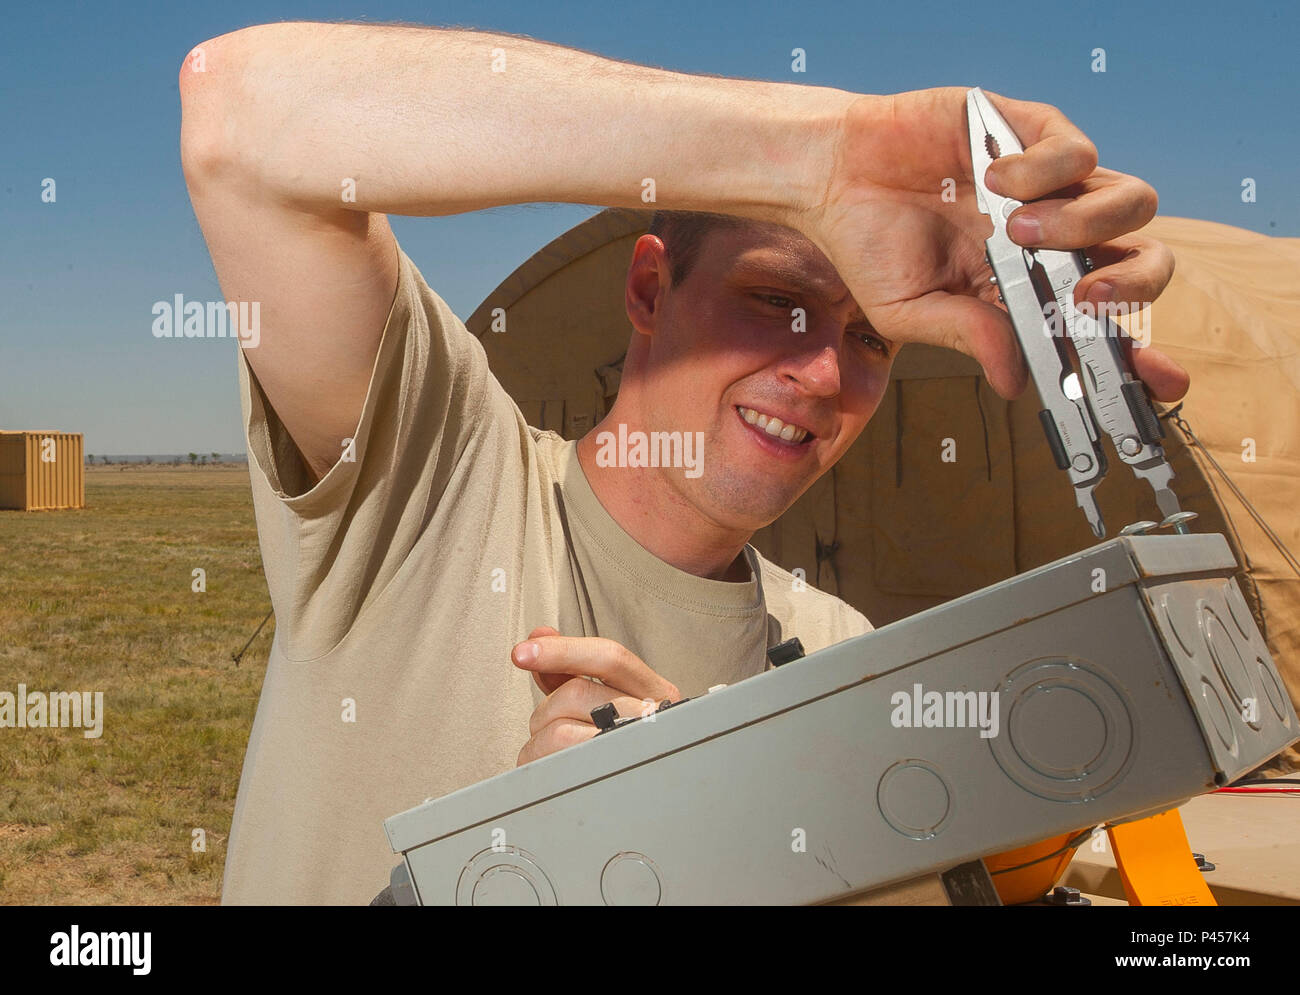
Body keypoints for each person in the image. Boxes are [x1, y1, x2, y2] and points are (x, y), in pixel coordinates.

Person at [179, 21, 1188, 904]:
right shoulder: (438, 483)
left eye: (870, 337)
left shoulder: (836, 653)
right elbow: (242, 115)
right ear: (651, 290)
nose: (823, 369)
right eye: (772, 300)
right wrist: (831, 159)